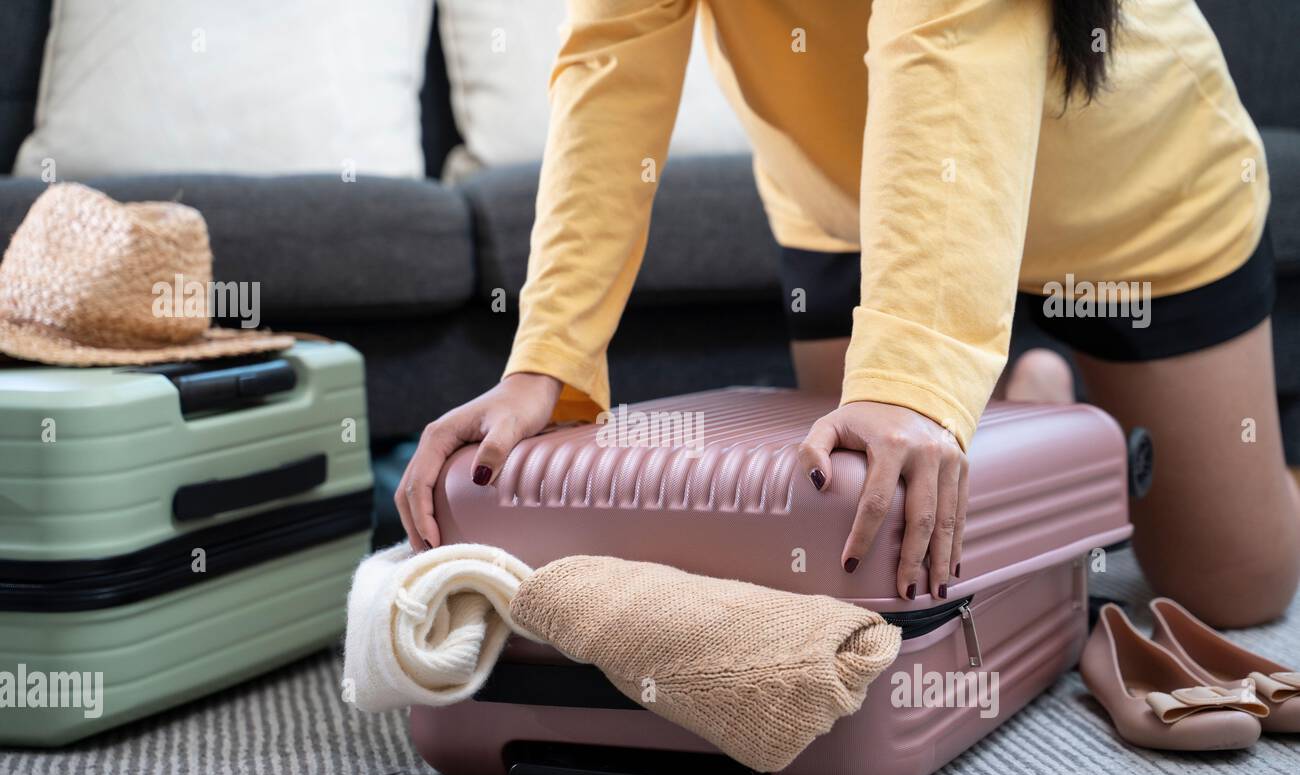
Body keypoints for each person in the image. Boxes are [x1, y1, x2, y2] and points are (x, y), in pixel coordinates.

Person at [396, 0, 1300, 628]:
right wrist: (545, 360)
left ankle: (1005, 401)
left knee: (1238, 589)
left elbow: (947, 43)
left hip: (1131, 202)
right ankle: (1028, 397)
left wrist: (914, 382)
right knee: (854, 551)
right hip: (860, 205)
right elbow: (612, 58)